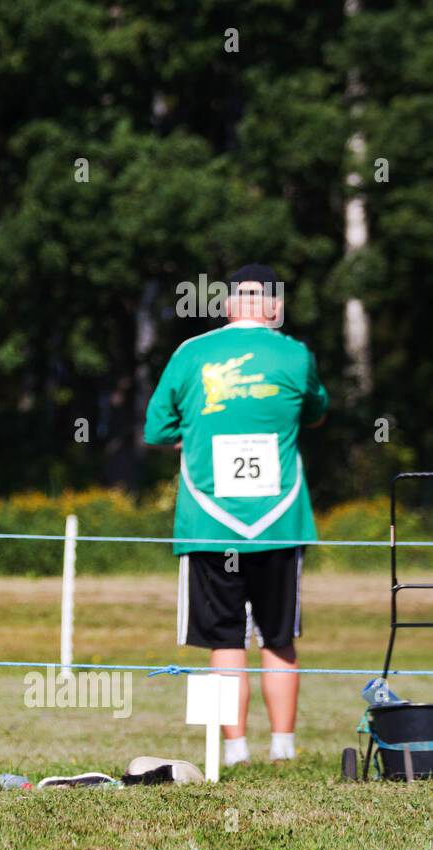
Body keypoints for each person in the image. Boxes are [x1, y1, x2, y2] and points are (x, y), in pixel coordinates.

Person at [144, 264, 327, 765]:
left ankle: (233, 749)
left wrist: (198, 435)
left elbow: (157, 430)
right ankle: (284, 748)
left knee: (223, 640)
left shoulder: (189, 354)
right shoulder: (295, 354)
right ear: (274, 307)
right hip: (281, 520)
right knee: (279, 636)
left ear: (226, 306)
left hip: (208, 523)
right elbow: (315, 411)